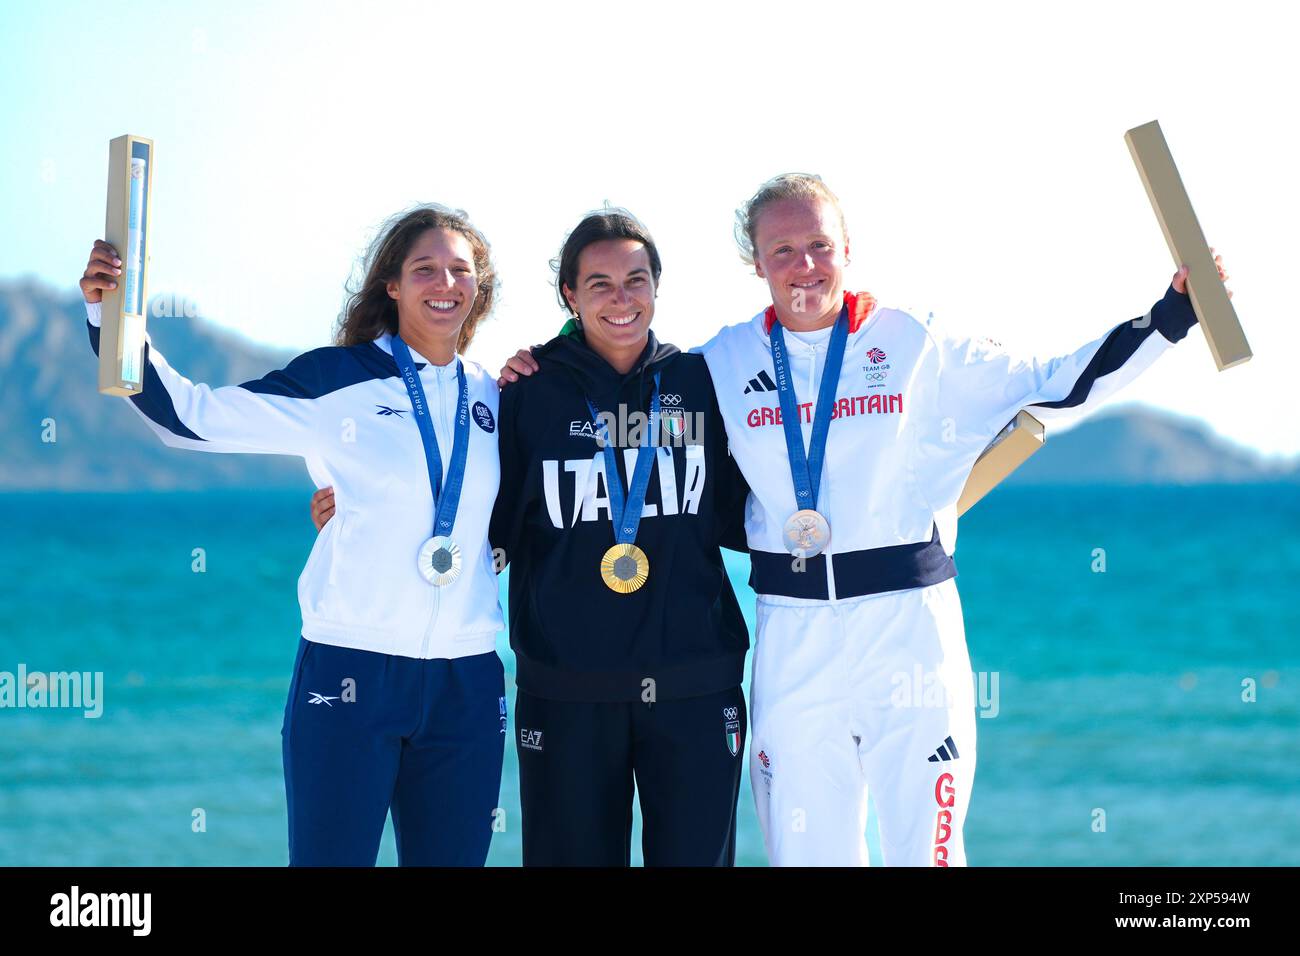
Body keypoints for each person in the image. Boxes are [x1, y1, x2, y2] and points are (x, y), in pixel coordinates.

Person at [498, 173, 1233, 867]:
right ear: (756, 263)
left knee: (928, 852)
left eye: (820, 245)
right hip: (790, 634)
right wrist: (537, 364)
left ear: (847, 250)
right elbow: (627, 399)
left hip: (907, 631)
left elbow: (1058, 383)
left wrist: (1170, 317)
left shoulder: (915, 342)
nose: (805, 265)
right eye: (783, 249)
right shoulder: (721, 361)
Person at [316, 209, 753, 866]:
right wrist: (366, 518)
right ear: (570, 297)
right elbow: (472, 522)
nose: (621, 298)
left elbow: (757, 508)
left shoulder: (700, 386)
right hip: (566, 695)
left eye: (636, 280)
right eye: (599, 283)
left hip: (696, 688)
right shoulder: (528, 392)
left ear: (657, 289)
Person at [79, 204, 509, 866]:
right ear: (391, 285)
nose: (444, 283)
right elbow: (189, 418)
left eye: (460, 269)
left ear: (478, 285)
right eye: (425, 269)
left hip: (467, 683)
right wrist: (113, 319)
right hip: (350, 670)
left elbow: (536, 502)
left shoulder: (500, 398)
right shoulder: (335, 382)